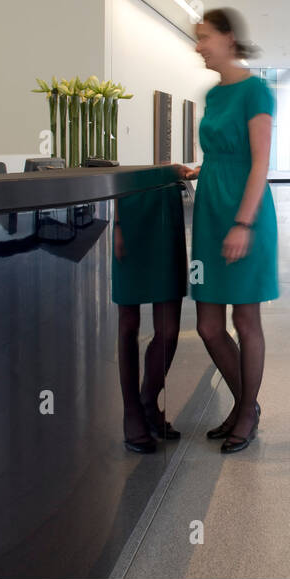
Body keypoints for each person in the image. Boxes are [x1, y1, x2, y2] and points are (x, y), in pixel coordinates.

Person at [178, 8, 279, 454]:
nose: (198, 46)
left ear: (228, 38)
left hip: (245, 216)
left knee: (244, 319)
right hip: (208, 218)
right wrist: (197, 169)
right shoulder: (213, 95)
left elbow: (259, 161)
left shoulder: (256, 91)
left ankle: (245, 414)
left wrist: (243, 222)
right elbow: (223, 152)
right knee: (206, 325)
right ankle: (247, 407)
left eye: (203, 38)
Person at [111, 177, 188, 454]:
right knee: (129, 321)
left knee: (168, 329)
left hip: (165, 200)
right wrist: (117, 223)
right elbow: (110, 165)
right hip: (128, 203)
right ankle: (132, 414)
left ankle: (148, 401)